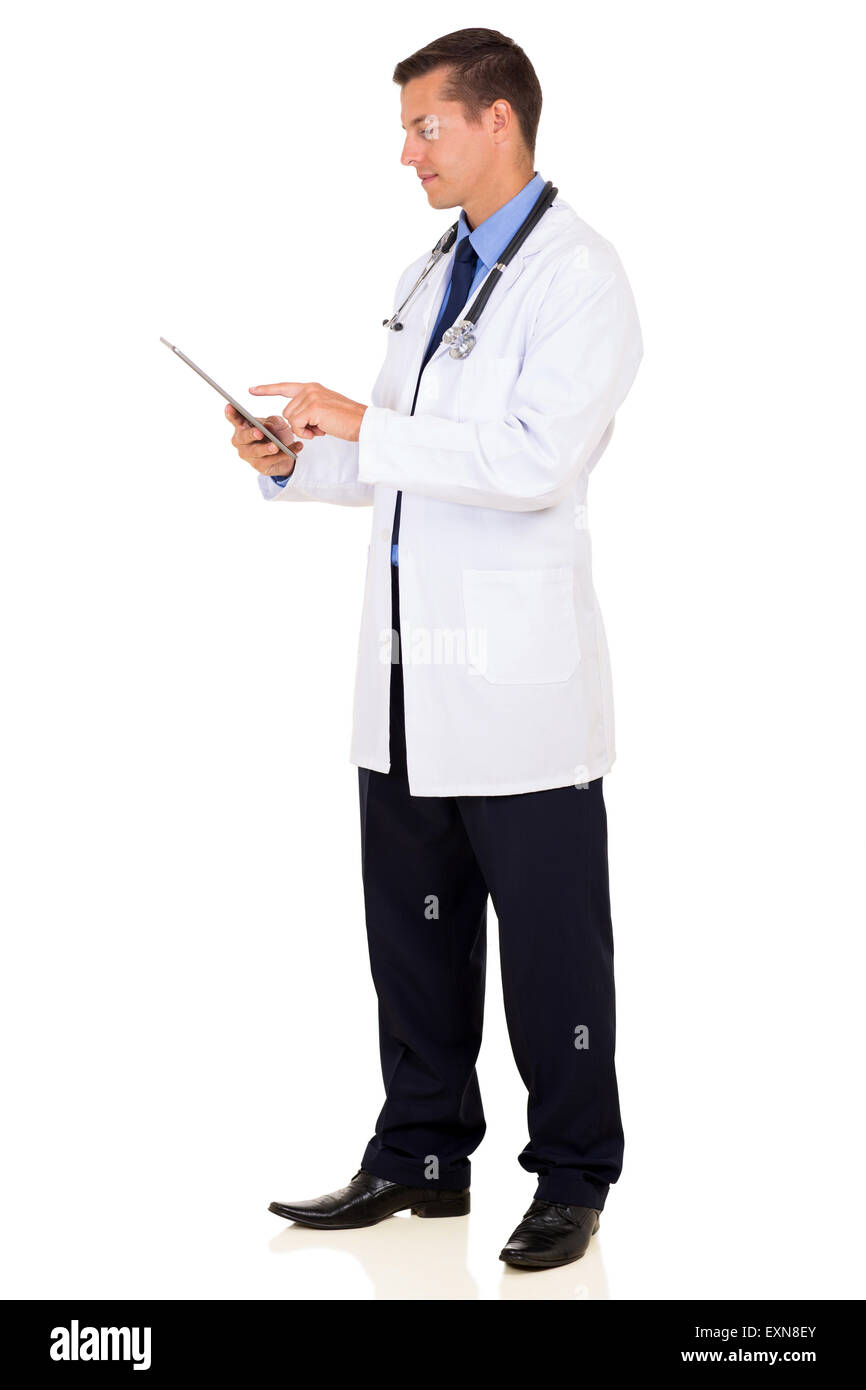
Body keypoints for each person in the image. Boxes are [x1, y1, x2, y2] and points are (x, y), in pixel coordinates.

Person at [225, 27, 642, 1271]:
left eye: (425, 125)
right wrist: (298, 458)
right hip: (408, 680)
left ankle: (571, 1175)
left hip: (516, 693)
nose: (406, 151)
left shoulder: (578, 277)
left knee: (550, 953)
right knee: (411, 938)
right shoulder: (429, 273)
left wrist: (367, 420)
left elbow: (531, 463)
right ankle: (417, 1153)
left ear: (497, 119)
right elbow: (404, 471)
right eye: (406, 128)